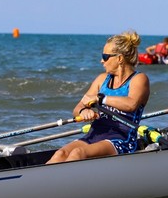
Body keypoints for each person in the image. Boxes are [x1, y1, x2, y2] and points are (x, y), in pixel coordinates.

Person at [47, 31, 150, 164]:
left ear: (119, 59)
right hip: (96, 133)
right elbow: (78, 107)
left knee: (78, 153)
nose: (102, 61)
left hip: (121, 138)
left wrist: (101, 99)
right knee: (60, 154)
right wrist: (84, 111)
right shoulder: (101, 79)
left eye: (105, 56)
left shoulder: (139, 79)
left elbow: (131, 104)